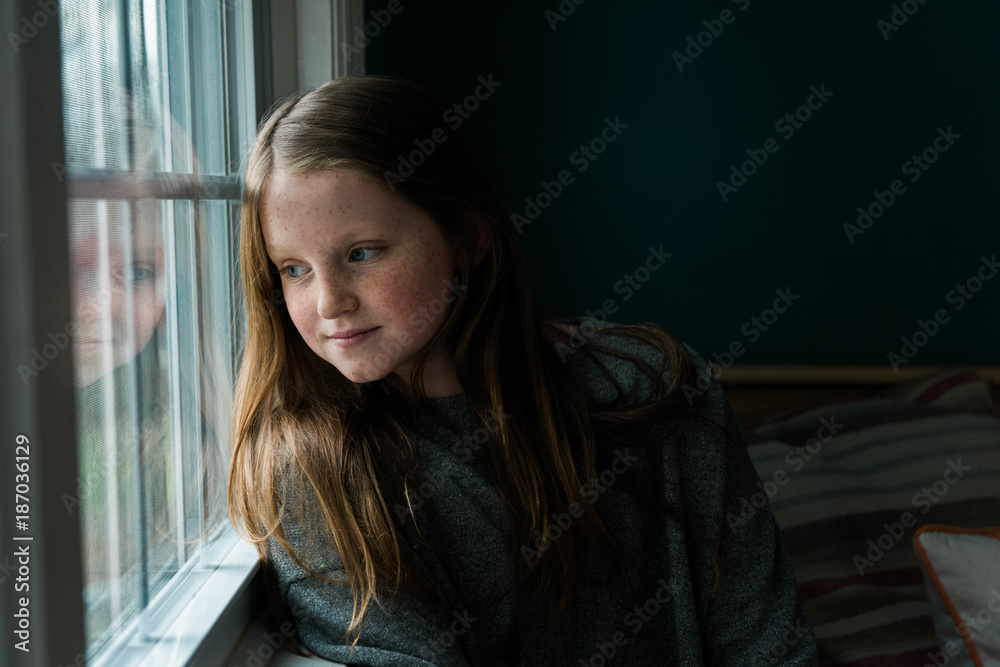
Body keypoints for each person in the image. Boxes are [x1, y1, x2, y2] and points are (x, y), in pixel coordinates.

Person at [229, 75, 819, 666]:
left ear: (467, 239)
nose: (329, 301)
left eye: (362, 253)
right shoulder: (313, 472)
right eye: (294, 269)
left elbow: (768, 642)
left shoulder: (652, 386)